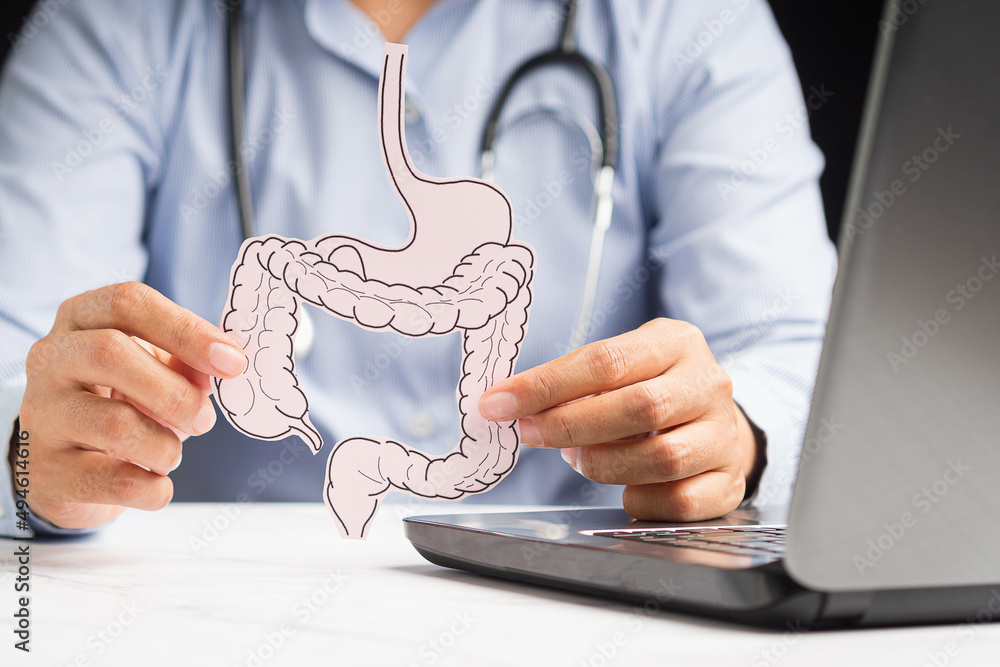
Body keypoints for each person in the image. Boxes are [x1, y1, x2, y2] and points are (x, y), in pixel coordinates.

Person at [0, 0, 836, 537]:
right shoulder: (110, 25)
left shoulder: (692, 19)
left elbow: (801, 357)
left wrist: (741, 435)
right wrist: (34, 455)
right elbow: (18, 362)